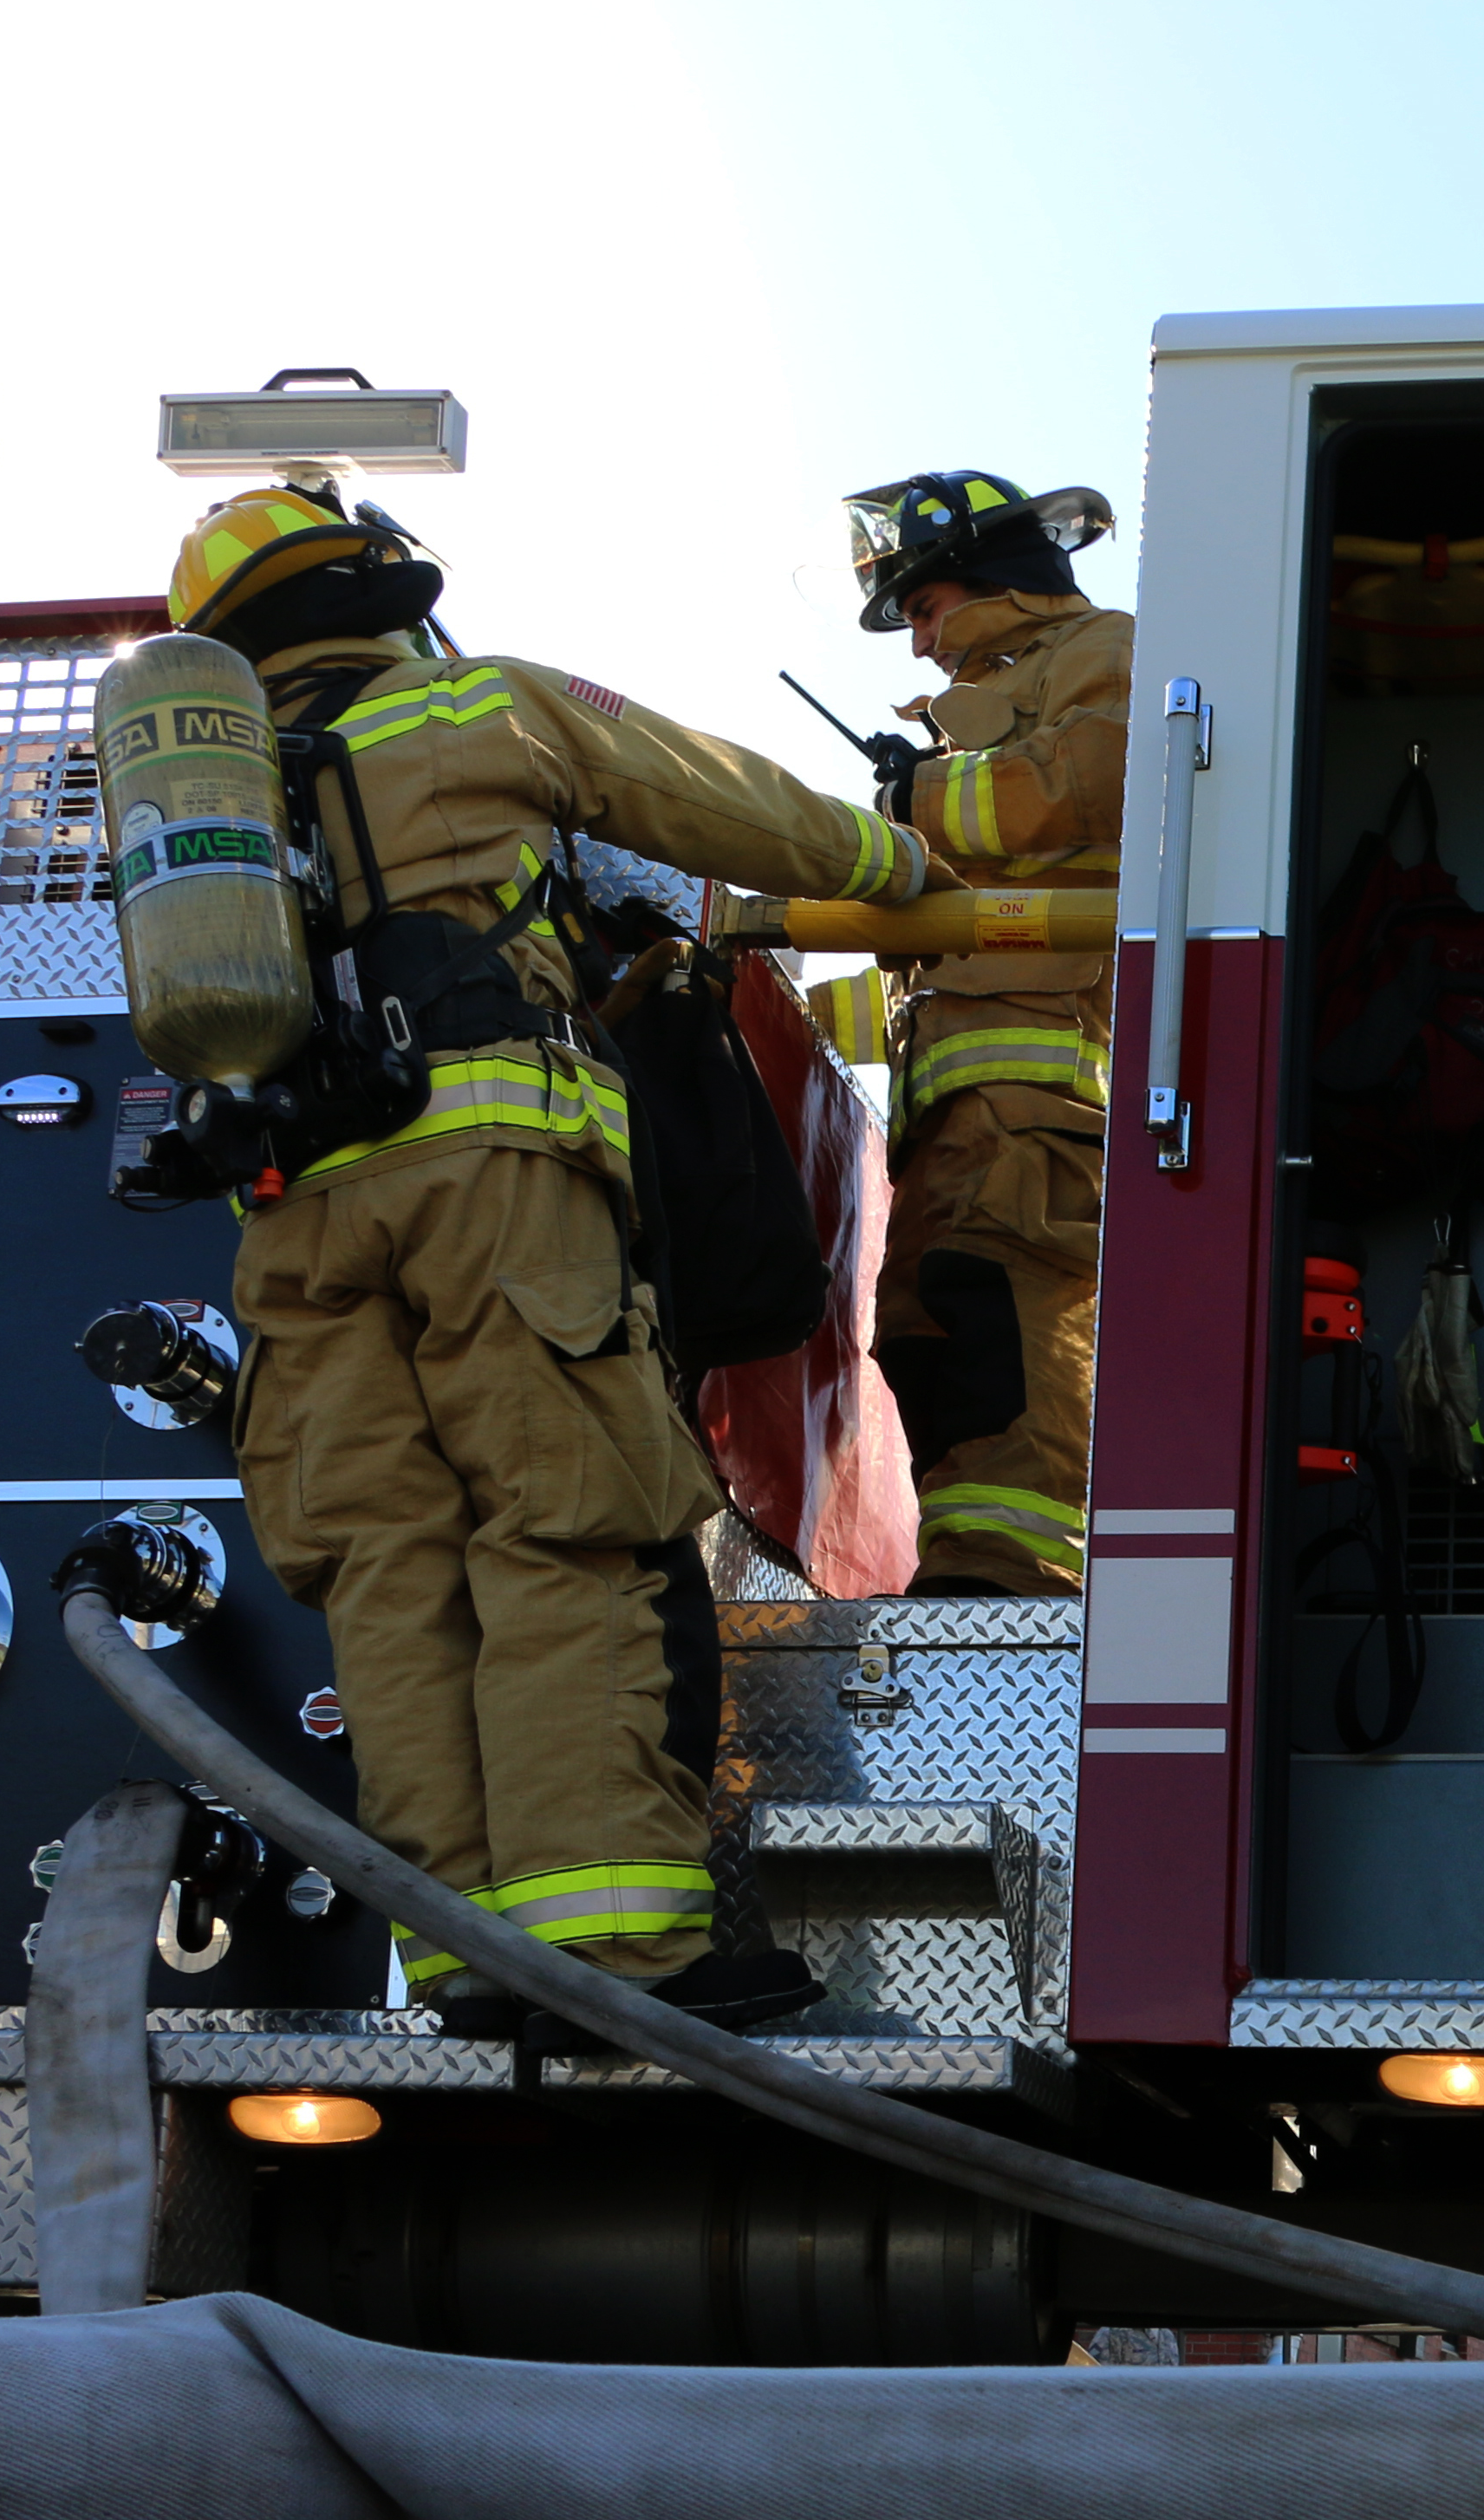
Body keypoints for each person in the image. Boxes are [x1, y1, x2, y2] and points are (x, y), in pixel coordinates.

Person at [159, 483, 929, 2034]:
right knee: (564, 1530)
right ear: (388, 591)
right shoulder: (475, 707)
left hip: (292, 1224)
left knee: (393, 1572)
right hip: (491, 1187)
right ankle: (619, 1953)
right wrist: (893, 864)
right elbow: (718, 799)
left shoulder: (204, 808)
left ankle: (463, 1959)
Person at [846, 470, 1129, 1598]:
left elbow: (1082, 790)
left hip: (1042, 1094)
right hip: (963, 1114)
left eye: (926, 608)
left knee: (1004, 1326)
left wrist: (919, 801)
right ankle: (972, 1565)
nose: (918, 646)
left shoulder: (1104, 650)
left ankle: (1014, 1580)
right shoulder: (983, 703)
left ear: (997, 576)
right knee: (938, 1343)